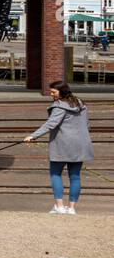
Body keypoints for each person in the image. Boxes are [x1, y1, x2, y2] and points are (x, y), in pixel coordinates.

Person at [26, 80, 95, 214]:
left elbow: (51, 124)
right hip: (80, 145)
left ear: (62, 91)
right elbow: (87, 125)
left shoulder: (59, 106)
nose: (51, 95)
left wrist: (33, 136)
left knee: (55, 174)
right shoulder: (80, 103)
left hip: (62, 145)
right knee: (75, 176)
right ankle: (72, 208)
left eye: (53, 92)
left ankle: (59, 206)